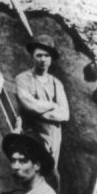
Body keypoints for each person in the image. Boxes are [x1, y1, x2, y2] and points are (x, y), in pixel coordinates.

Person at [15, 35, 69, 164]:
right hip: (34, 135)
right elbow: (29, 105)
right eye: (39, 55)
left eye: (46, 55)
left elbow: (65, 114)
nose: (43, 59)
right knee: (34, 170)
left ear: (51, 59)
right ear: (32, 56)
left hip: (55, 138)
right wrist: (53, 105)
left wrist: (39, 112)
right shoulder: (22, 79)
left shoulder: (57, 83)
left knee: (50, 174)